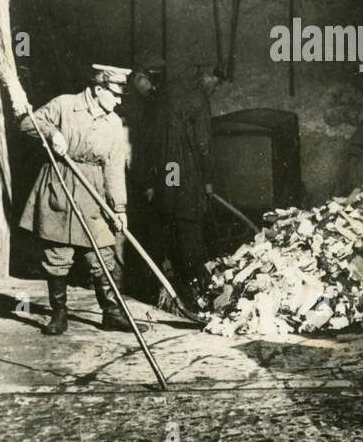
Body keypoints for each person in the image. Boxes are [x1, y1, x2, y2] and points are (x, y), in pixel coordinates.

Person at [18, 64, 140, 335]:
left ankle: (111, 313)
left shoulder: (113, 122)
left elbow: (114, 167)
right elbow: (27, 122)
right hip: (60, 183)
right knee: (57, 254)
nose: (119, 101)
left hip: (92, 190)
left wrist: (119, 208)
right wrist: (51, 134)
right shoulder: (65, 105)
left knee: (102, 254)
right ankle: (59, 314)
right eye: (116, 94)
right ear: (98, 90)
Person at [155, 62, 225, 310]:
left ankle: (169, 285)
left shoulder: (167, 91)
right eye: (215, 84)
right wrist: (208, 180)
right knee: (189, 226)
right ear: (206, 77)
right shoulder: (198, 99)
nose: (214, 89)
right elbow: (204, 144)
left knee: (170, 217)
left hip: (167, 170)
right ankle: (194, 293)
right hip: (186, 171)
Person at [118, 59, 164, 299]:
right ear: (138, 79)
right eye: (149, 80)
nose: (152, 87)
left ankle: (137, 284)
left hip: (137, 180)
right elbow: (134, 151)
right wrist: (146, 183)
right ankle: (136, 287)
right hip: (134, 184)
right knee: (138, 233)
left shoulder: (141, 104)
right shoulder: (135, 108)